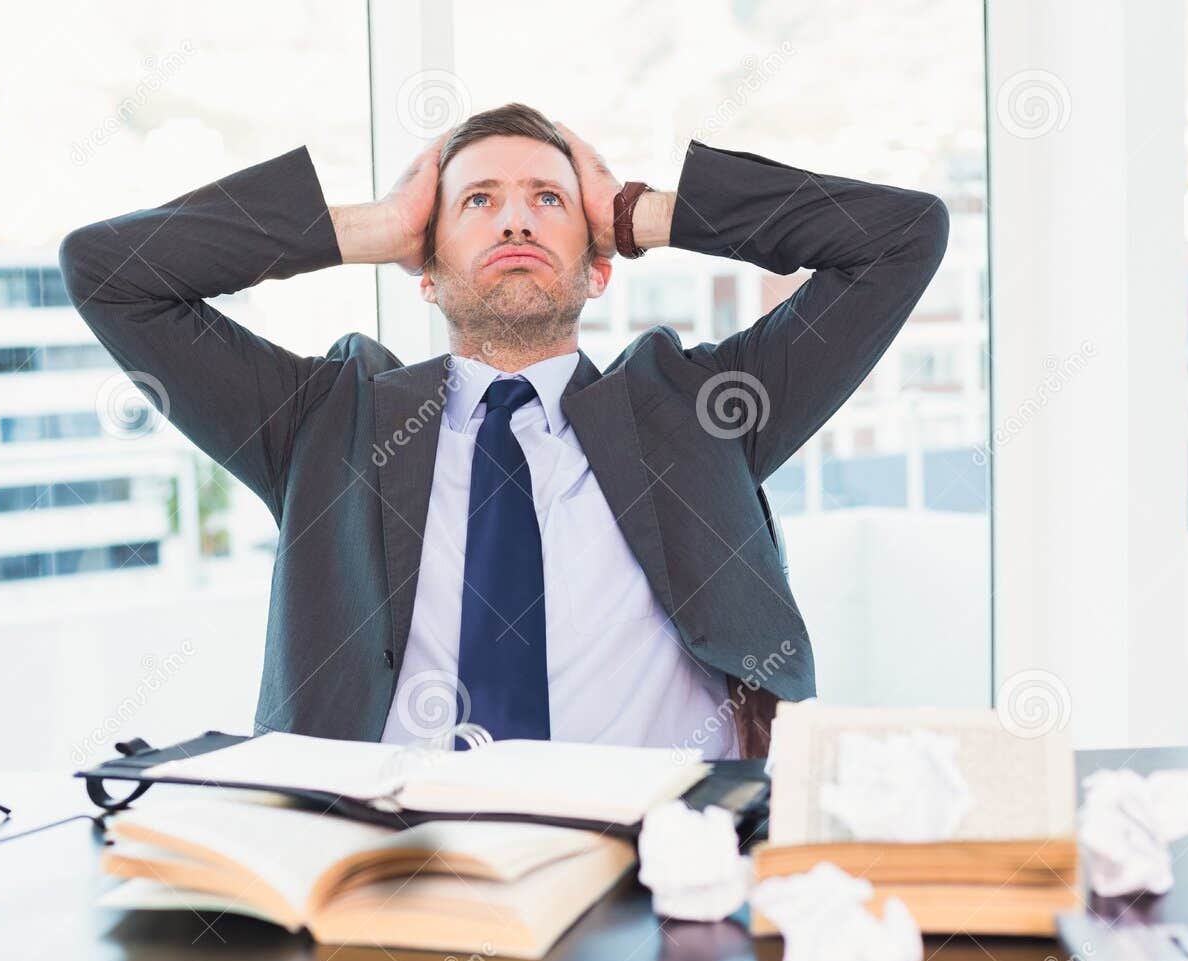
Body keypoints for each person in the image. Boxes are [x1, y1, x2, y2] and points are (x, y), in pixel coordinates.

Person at [58, 103, 948, 760]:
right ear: (425, 271)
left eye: (549, 200)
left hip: (660, 870)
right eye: (476, 200)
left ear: (600, 269)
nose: (516, 217)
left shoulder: (697, 409)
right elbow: (108, 273)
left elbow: (901, 237)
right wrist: (367, 227)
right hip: (391, 877)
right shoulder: (326, 421)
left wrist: (643, 210)